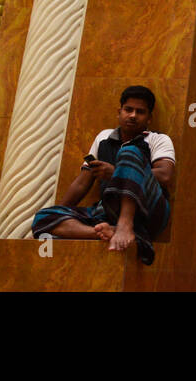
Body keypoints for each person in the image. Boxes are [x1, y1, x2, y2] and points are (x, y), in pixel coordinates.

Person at [30, 85, 175, 265]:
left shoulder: (158, 139)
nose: (133, 115)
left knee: (130, 150)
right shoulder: (104, 138)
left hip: (148, 211)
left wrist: (116, 172)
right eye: (128, 109)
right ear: (119, 112)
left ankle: (125, 225)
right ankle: (106, 232)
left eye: (140, 112)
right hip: (108, 212)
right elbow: (82, 183)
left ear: (149, 118)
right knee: (43, 217)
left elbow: (165, 175)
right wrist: (60, 214)